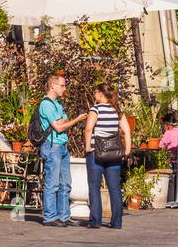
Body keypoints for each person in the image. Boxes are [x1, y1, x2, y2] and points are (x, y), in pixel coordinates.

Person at [38, 73, 87, 228]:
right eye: (62, 85)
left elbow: (64, 121)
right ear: (52, 85)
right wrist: (76, 120)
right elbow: (59, 126)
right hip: (52, 147)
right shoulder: (46, 104)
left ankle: (64, 216)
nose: (64, 89)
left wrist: (66, 122)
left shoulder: (57, 104)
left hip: (62, 147)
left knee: (66, 183)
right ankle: (50, 217)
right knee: (52, 183)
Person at [83, 82, 131, 231]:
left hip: (96, 153)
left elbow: (88, 129)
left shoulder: (95, 109)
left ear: (99, 94)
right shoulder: (117, 110)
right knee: (115, 188)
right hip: (114, 153)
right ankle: (117, 222)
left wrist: (87, 147)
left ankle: (96, 221)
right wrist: (127, 150)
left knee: (94, 187)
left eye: (95, 93)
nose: (94, 95)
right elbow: (127, 131)